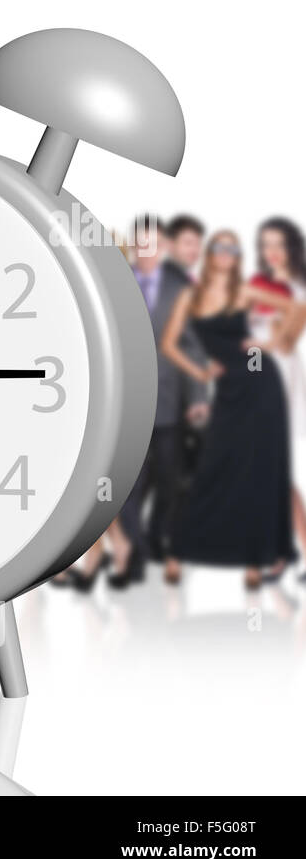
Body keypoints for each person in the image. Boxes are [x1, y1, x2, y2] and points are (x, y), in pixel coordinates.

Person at [162, 230, 306, 588]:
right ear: (210, 253)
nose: (226, 252)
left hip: (261, 385)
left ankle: (254, 560)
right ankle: (178, 552)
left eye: (233, 248)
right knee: (211, 467)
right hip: (228, 390)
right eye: (220, 247)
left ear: (238, 256)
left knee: (259, 472)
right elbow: (169, 344)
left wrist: (271, 342)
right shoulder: (190, 295)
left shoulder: (243, 291)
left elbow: (295, 308)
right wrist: (200, 372)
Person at [115, 216, 211, 585]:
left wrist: (198, 396)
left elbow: (191, 345)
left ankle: (156, 537)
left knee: (170, 483)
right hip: (126, 405)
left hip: (170, 403)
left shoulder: (179, 287)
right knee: (128, 486)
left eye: (153, 244)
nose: (146, 251)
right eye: (140, 244)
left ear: (165, 247)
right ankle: (136, 552)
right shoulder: (115, 280)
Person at [249, 217, 306, 576]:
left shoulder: (298, 288)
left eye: (279, 244)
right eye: (265, 243)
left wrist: (263, 329)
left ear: (291, 247)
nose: (271, 251)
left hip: (280, 379)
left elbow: (285, 341)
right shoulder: (258, 283)